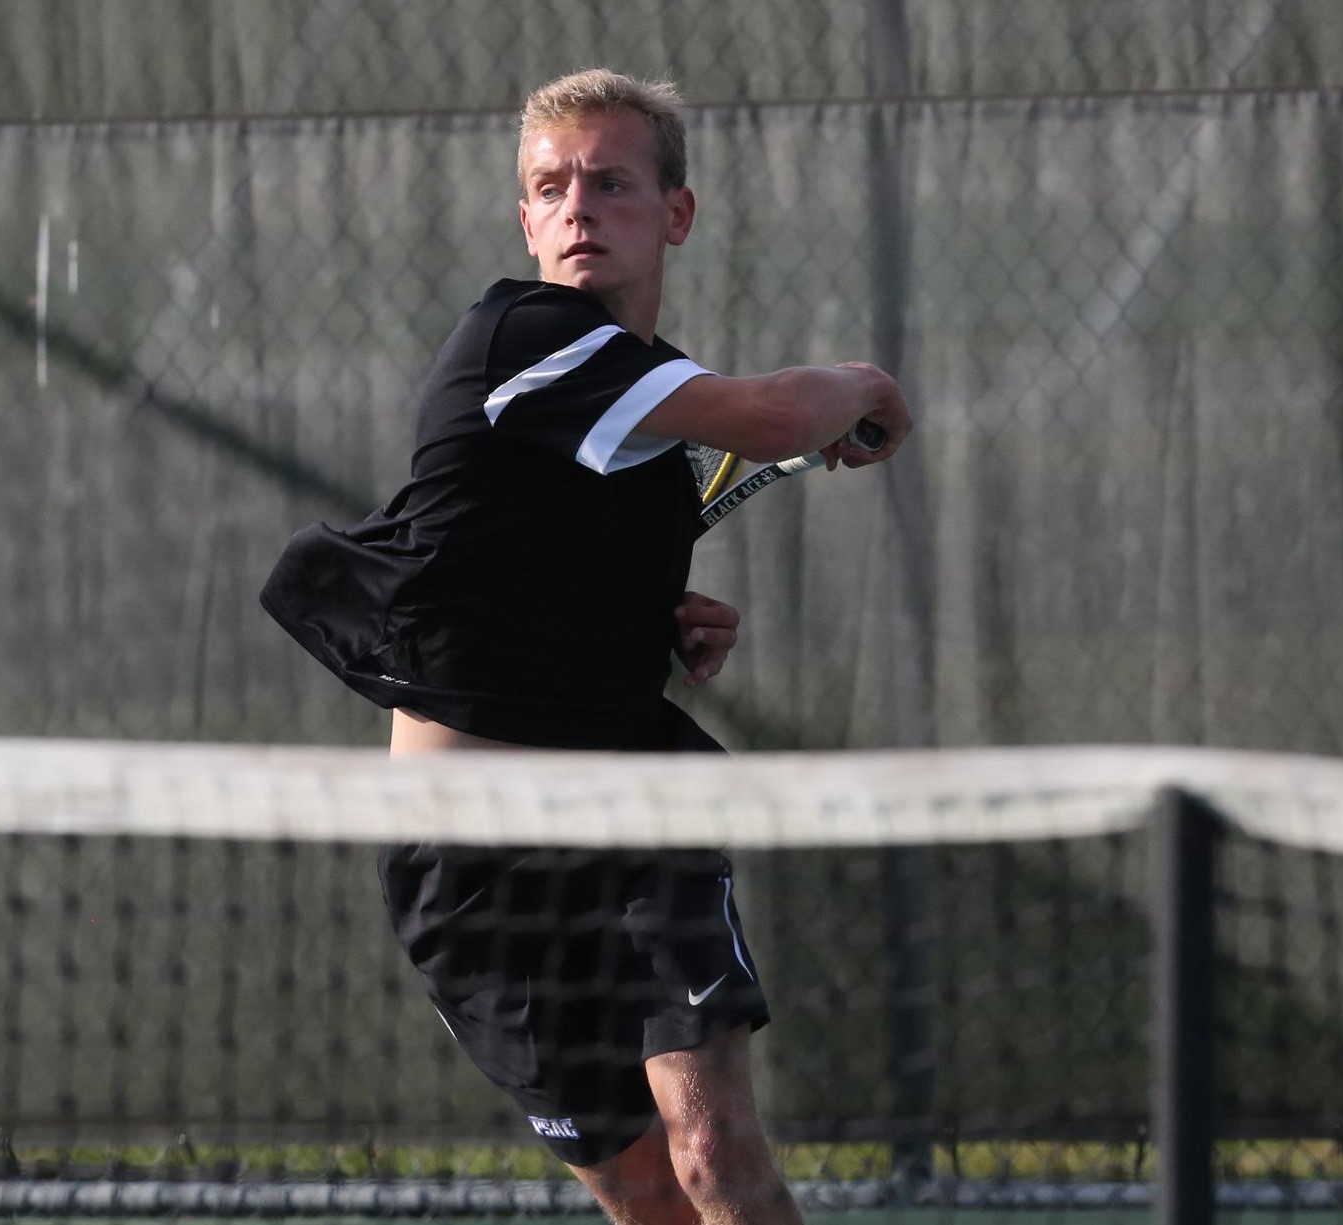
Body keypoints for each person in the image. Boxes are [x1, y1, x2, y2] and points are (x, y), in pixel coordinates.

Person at [262, 68, 910, 1225]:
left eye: (610, 184)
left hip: (628, 803)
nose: (576, 209)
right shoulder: (522, 337)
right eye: (549, 187)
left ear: (674, 213)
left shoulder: (650, 403)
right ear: (523, 219)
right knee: (640, 1187)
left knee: (712, 1151)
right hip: (468, 864)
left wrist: (645, 615)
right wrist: (861, 383)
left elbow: (522, 564)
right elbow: (774, 421)